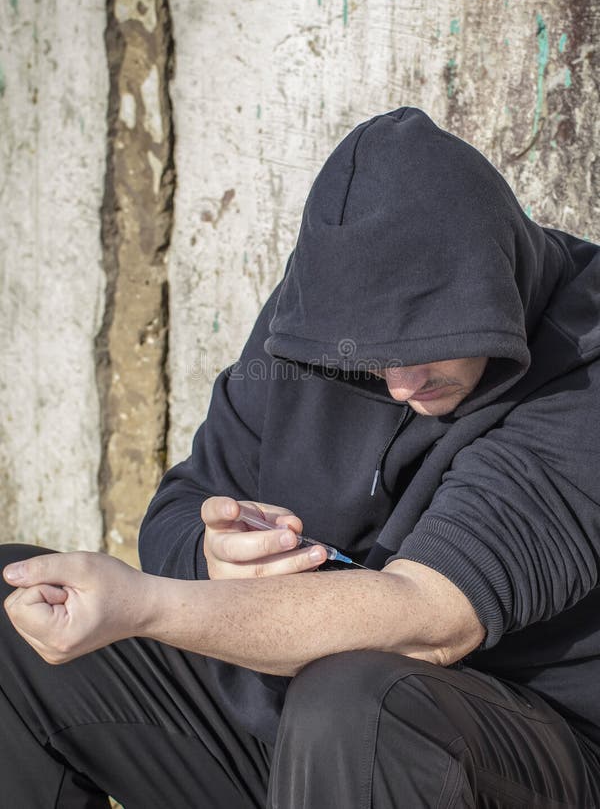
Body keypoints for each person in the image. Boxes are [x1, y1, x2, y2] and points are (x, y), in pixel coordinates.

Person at [2, 106, 600, 808]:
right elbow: (183, 502)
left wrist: (149, 606)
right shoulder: (318, 325)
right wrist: (212, 558)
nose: (401, 385)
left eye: (430, 343)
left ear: (489, 281)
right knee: (13, 616)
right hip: (295, 734)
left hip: (512, 753)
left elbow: (429, 617)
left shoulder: (583, 364)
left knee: (359, 699)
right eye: (374, 360)